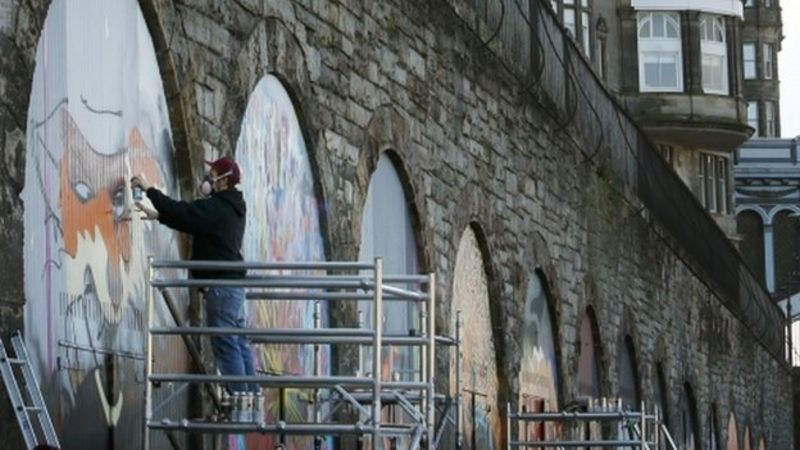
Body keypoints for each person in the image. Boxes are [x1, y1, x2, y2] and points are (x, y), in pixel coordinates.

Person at [131, 156, 256, 395]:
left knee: (226, 346)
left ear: (223, 180)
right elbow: (192, 222)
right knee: (238, 344)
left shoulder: (218, 207)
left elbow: (185, 212)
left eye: (213, 174)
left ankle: (241, 400)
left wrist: (149, 190)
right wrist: (159, 216)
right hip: (233, 288)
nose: (208, 178)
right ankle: (251, 399)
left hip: (220, 287)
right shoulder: (232, 207)